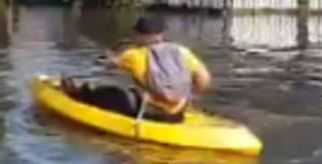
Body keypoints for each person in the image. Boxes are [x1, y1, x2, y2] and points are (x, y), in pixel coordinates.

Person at [64, 14, 211, 123]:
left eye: (136, 34)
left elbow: (105, 64)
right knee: (133, 92)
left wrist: (107, 57)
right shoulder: (181, 51)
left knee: (110, 92)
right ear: (160, 34)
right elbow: (204, 78)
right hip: (177, 114)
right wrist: (188, 98)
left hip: (151, 114)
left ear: (140, 35)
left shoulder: (134, 56)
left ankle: (78, 95)